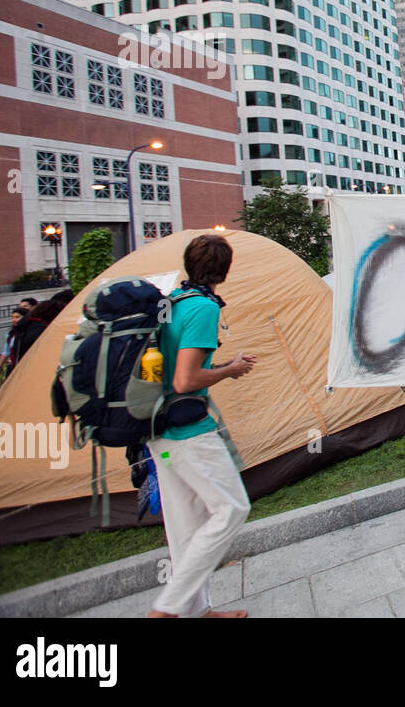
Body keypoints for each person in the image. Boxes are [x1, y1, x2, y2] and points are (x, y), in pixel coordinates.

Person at [147, 233, 257, 619]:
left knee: (184, 530)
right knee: (232, 509)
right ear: (224, 271)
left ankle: (197, 611)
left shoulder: (172, 301)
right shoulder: (204, 308)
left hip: (157, 434)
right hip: (187, 431)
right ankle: (166, 610)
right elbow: (185, 380)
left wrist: (222, 364)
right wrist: (231, 370)